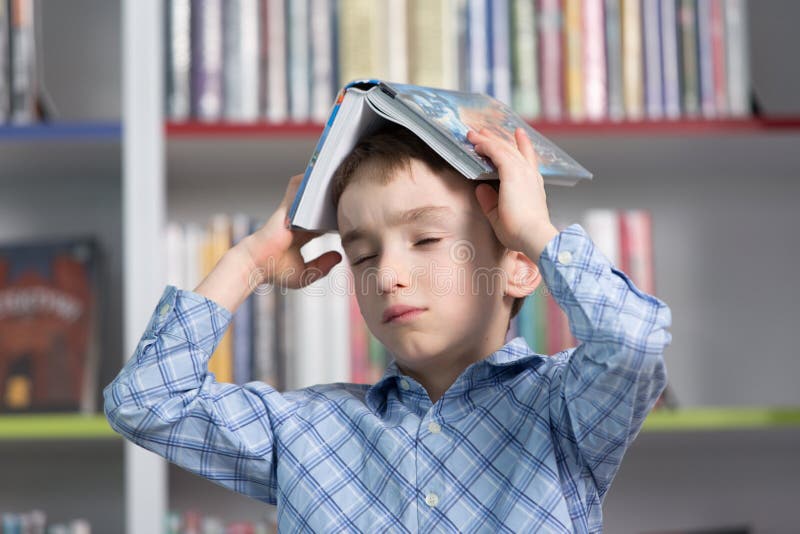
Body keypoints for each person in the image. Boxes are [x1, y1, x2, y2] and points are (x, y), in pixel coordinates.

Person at [104, 123, 671, 532]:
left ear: (519, 265)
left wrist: (536, 233)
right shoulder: (305, 430)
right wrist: (249, 263)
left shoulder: (563, 409)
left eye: (426, 239)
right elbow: (146, 402)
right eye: (364, 256)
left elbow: (635, 343)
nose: (387, 275)